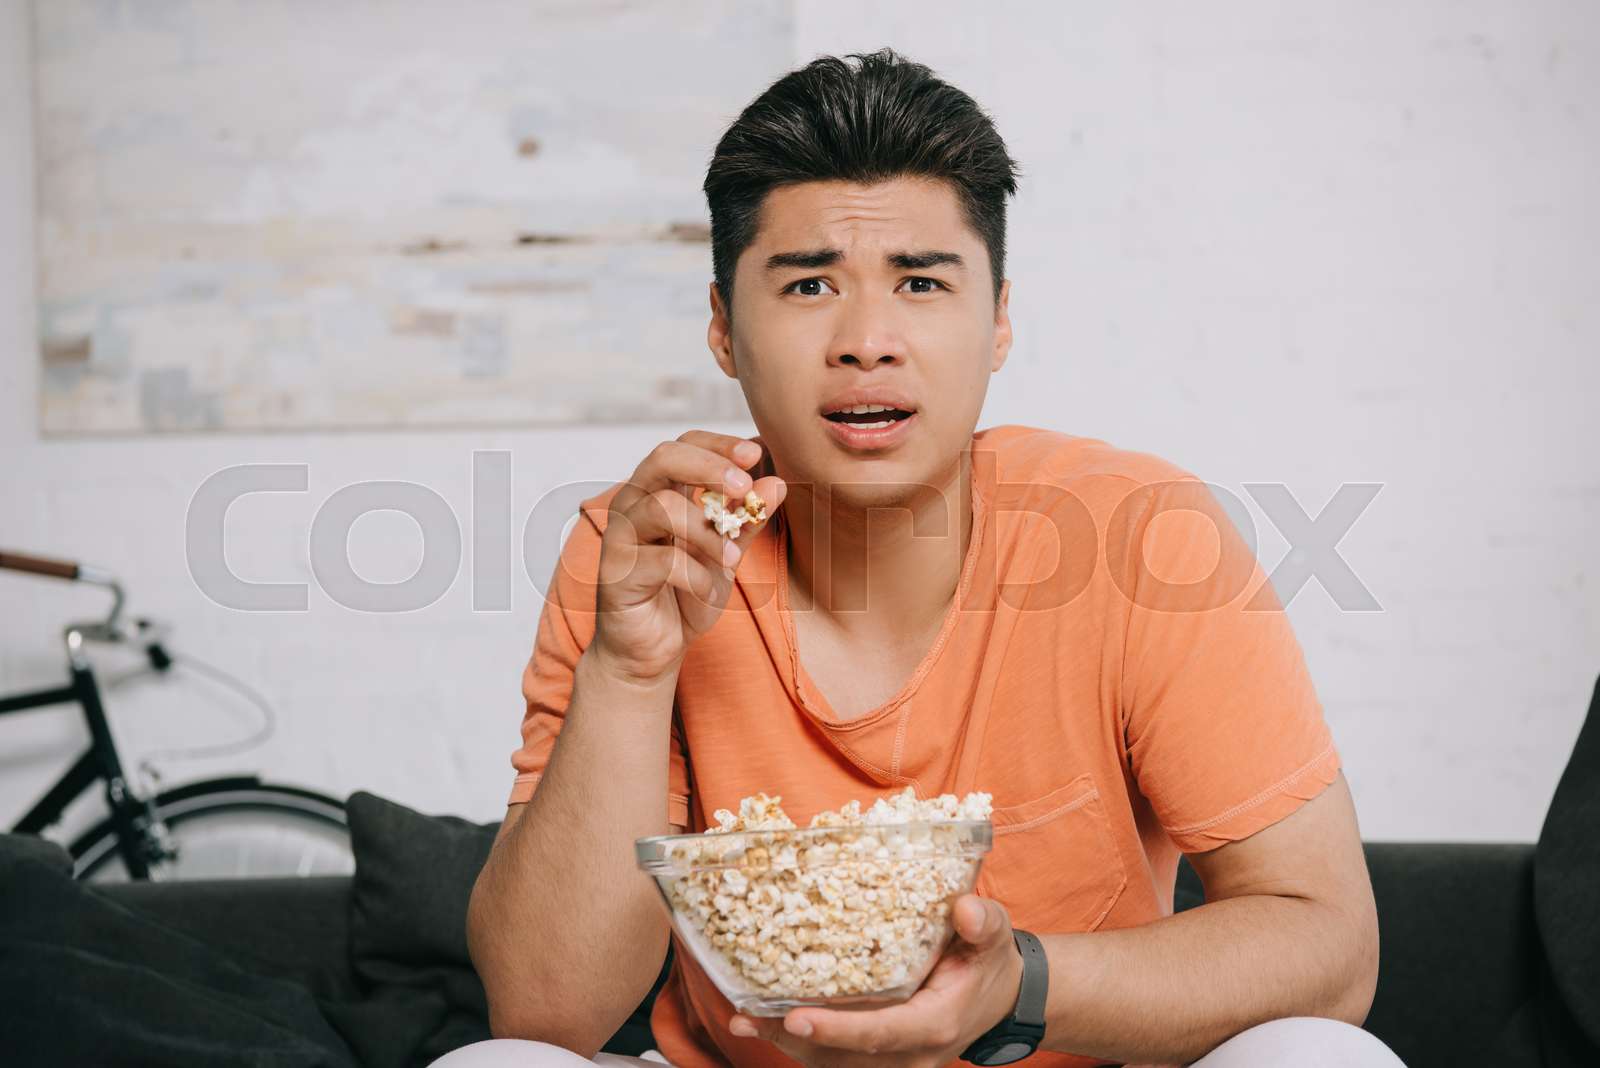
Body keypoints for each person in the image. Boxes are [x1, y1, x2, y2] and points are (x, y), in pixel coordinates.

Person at [452, 49, 1402, 1068]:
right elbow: (543, 1014)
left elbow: (1328, 947)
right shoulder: (647, 547)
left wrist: (1018, 986)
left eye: (919, 281)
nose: (868, 339)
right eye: (810, 283)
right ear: (724, 329)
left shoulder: (1141, 534)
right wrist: (627, 670)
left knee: (1325, 1058)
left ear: (996, 321)